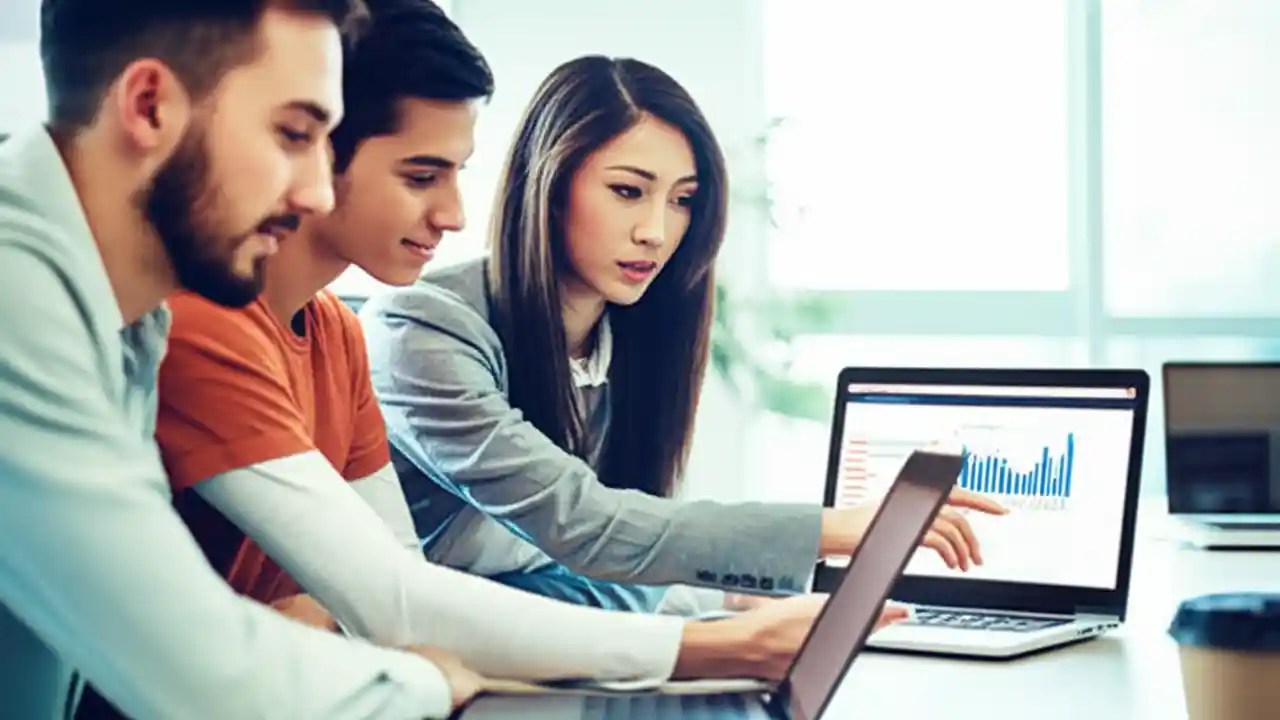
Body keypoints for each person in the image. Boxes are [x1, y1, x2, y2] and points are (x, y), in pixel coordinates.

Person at [146, 1, 876, 709]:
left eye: (682, 200)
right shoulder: (230, 322)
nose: (455, 215)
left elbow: (397, 598)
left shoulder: (335, 333)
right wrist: (717, 644)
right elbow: (403, 599)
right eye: (421, 176)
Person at [360, 54, 1010, 614]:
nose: (657, 231)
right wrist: (834, 530)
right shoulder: (422, 324)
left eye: (682, 199)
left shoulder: (631, 335)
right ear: (550, 188)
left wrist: (733, 596)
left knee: (638, 598)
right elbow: (582, 525)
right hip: (431, 632)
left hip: (544, 609)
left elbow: (616, 557)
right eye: (627, 191)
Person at [0, 1, 481, 718]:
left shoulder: (133, 320)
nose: (318, 191)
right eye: (293, 134)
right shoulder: (17, 289)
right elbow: (203, 677)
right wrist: (433, 682)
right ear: (150, 105)